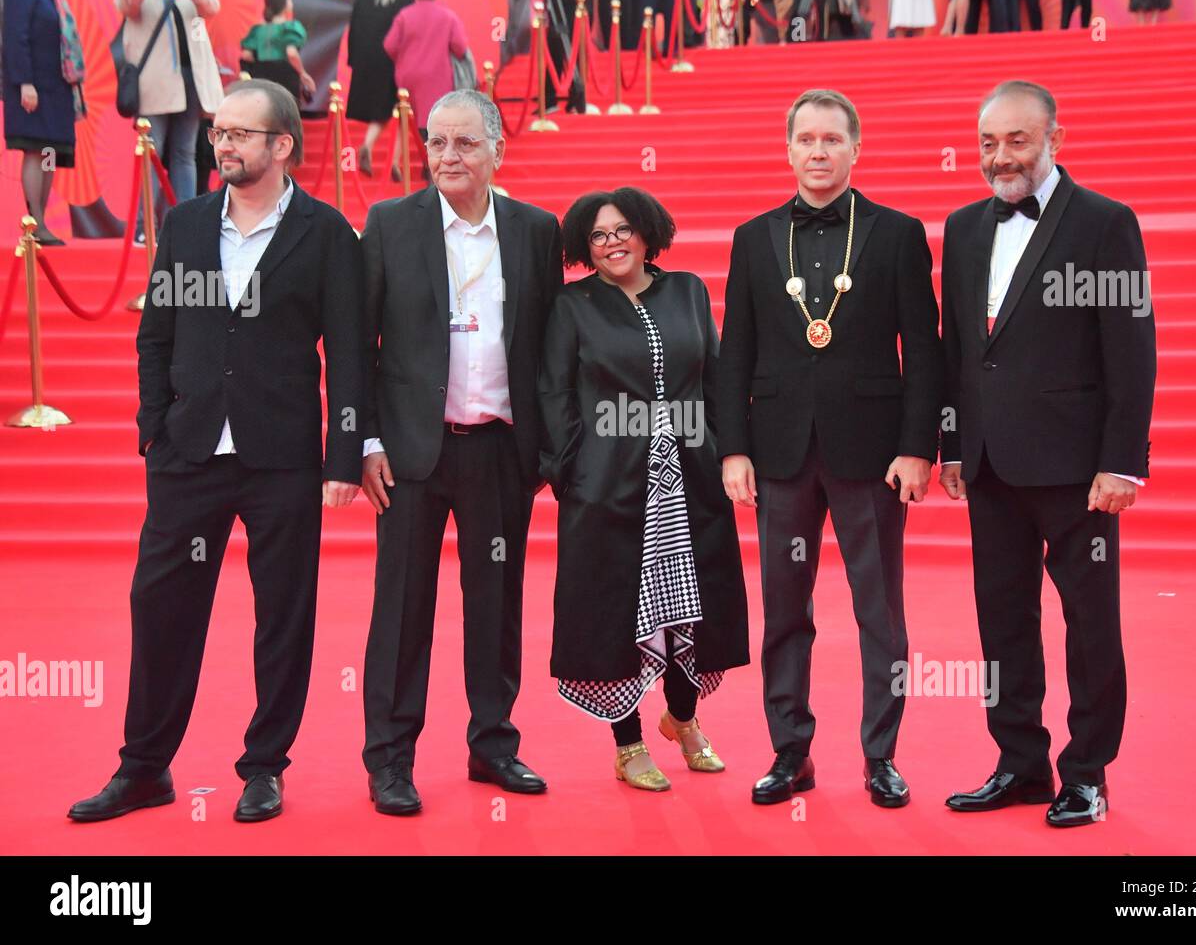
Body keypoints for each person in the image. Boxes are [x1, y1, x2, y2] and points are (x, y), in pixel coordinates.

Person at [67, 79, 365, 824]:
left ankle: (264, 766)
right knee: (161, 606)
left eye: (239, 133)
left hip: (282, 457)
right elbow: (157, 335)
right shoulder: (188, 225)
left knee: (283, 618)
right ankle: (143, 769)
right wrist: (154, 426)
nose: (221, 144)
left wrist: (342, 456)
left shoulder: (326, 234)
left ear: (281, 145)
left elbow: (351, 354)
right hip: (190, 453)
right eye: (218, 132)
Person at [716, 89, 943, 808]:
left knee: (880, 610)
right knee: (785, 609)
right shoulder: (753, 238)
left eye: (831, 140)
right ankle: (791, 752)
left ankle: (882, 756)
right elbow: (735, 352)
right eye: (806, 140)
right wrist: (733, 449)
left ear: (856, 148)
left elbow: (926, 351)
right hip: (779, 454)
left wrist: (919, 447)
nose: (818, 151)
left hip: (873, 454)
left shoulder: (897, 233)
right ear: (788, 150)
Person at [939, 81, 1156, 827]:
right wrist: (949, 445)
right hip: (990, 464)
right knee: (1001, 622)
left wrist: (1122, 462)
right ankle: (1019, 764)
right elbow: (956, 349)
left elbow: (1132, 351)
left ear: (1055, 140)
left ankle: (1088, 773)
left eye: (1018, 140)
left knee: (1090, 623)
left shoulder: (1104, 223)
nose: (1001, 157)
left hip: (1077, 469)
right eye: (988, 143)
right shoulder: (963, 228)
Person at [359, 89, 562, 815]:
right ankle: (389, 758)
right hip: (412, 455)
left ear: (497, 151)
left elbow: (549, 344)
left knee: (497, 604)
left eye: (466, 143)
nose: (449, 156)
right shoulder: (388, 224)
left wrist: (548, 446)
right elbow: (358, 345)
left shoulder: (537, 231)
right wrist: (365, 440)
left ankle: (494, 744)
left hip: (500, 451)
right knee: (403, 608)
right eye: (438, 142)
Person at [539, 188, 749, 791]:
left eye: (623, 230)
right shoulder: (572, 304)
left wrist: (722, 449)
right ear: (585, 245)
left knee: (692, 611)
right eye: (599, 235)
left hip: (690, 476)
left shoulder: (685, 290)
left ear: (647, 232)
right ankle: (628, 744)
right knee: (620, 612)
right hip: (608, 484)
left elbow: (714, 375)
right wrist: (571, 469)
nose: (612, 244)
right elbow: (554, 393)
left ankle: (682, 718)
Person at [114, 0, 224, 242]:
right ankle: (145, 226)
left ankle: (185, 224)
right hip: (156, 85)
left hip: (192, 82)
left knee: (185, 153)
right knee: (152, 153)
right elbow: (127, 5)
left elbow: (212, 8)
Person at [2, 0, 86, 246]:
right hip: (33, 87)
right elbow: (16, 36)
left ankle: (42, 219)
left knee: (50, 151)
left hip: (56, 89)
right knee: (35, 151)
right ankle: (35, 221)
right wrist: (24, 82)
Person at [383, 0, 467, 147]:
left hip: (408, 75)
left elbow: (390, 45)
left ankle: (403, 159)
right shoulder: (448, 16)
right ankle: (431, 160)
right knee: (436, 119)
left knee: (407, 116)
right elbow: (460, 47)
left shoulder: (404, 15)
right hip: (438, 74)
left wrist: (402, 59)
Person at [345, 0, 414, 177]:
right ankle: (394, 162)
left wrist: (353, 59)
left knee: (383, 108)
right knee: (403, 109)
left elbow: (354, 26)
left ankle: (368, 145)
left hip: (367, 57)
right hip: (395, 59)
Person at [240, 0, 315, 102]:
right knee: (286, 111)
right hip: (285, 76)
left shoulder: (257, 30)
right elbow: (291, 53)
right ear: (284, 4)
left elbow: (246, 55)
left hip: (261, 76)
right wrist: (303, 74)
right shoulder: (290, 27)